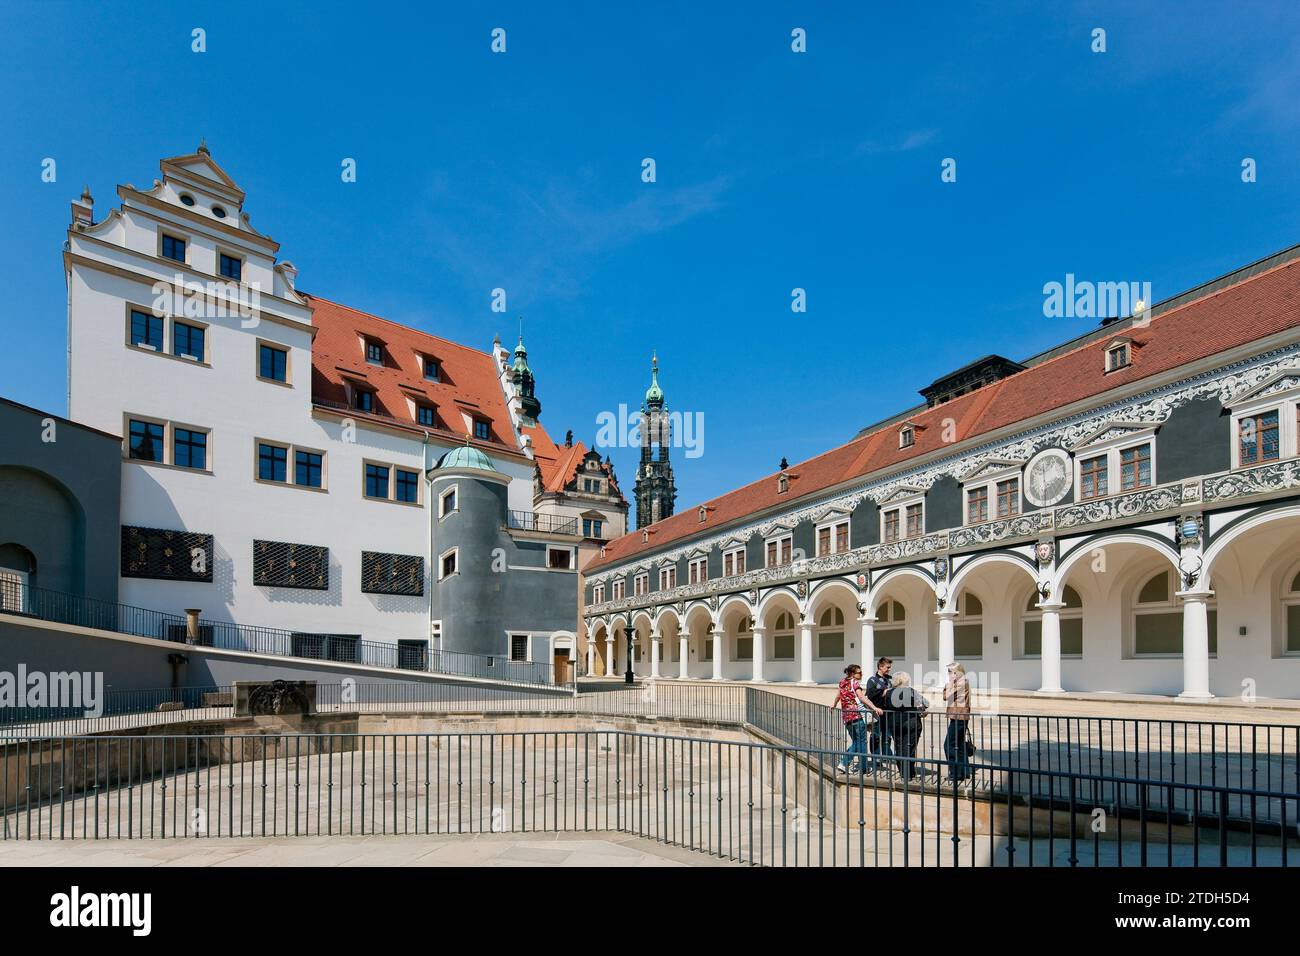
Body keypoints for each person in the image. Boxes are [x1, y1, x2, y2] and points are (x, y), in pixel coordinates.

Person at [830, 664, 883, 774]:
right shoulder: (854, 683)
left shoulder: (842, 682)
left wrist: (834, 705)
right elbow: (862, 697)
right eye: (859, 672)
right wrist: (874, 708)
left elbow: (838, 696)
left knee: (856, 742)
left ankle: (844, 763)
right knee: (862, 742)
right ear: (852, 674)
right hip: (857, 716)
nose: (861, 674)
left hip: (847, 717)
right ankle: (859, 767)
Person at [886, 671, 929, 779]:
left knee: (899, 747)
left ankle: (903, 772)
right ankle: (908, 773)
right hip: (911, 723)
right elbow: (925, 704)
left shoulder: (888, 692)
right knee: (909, 748)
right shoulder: (911, 691)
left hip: (895, 723)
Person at [943, 662, 972, 783]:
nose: (949, 674)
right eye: (949, 672)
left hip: (959, 717)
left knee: (949, 745)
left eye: (951, 672)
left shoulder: (961, 682)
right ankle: (963, 772)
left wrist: (948, 683)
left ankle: (955, 773)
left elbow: (947, 695)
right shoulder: (960, 682)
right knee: (959, 745)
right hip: (957, 717)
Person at [863, 657, 894, 769]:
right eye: (887, 667)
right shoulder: (872, 680)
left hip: (888, 713)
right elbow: (870, 695)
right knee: (875, 735)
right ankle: (875, 758)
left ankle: (887, 755)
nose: (889, 669)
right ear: (880, 667)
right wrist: (883, 692)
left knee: (887, 735)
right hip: (876, 712)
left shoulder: (890, 680)